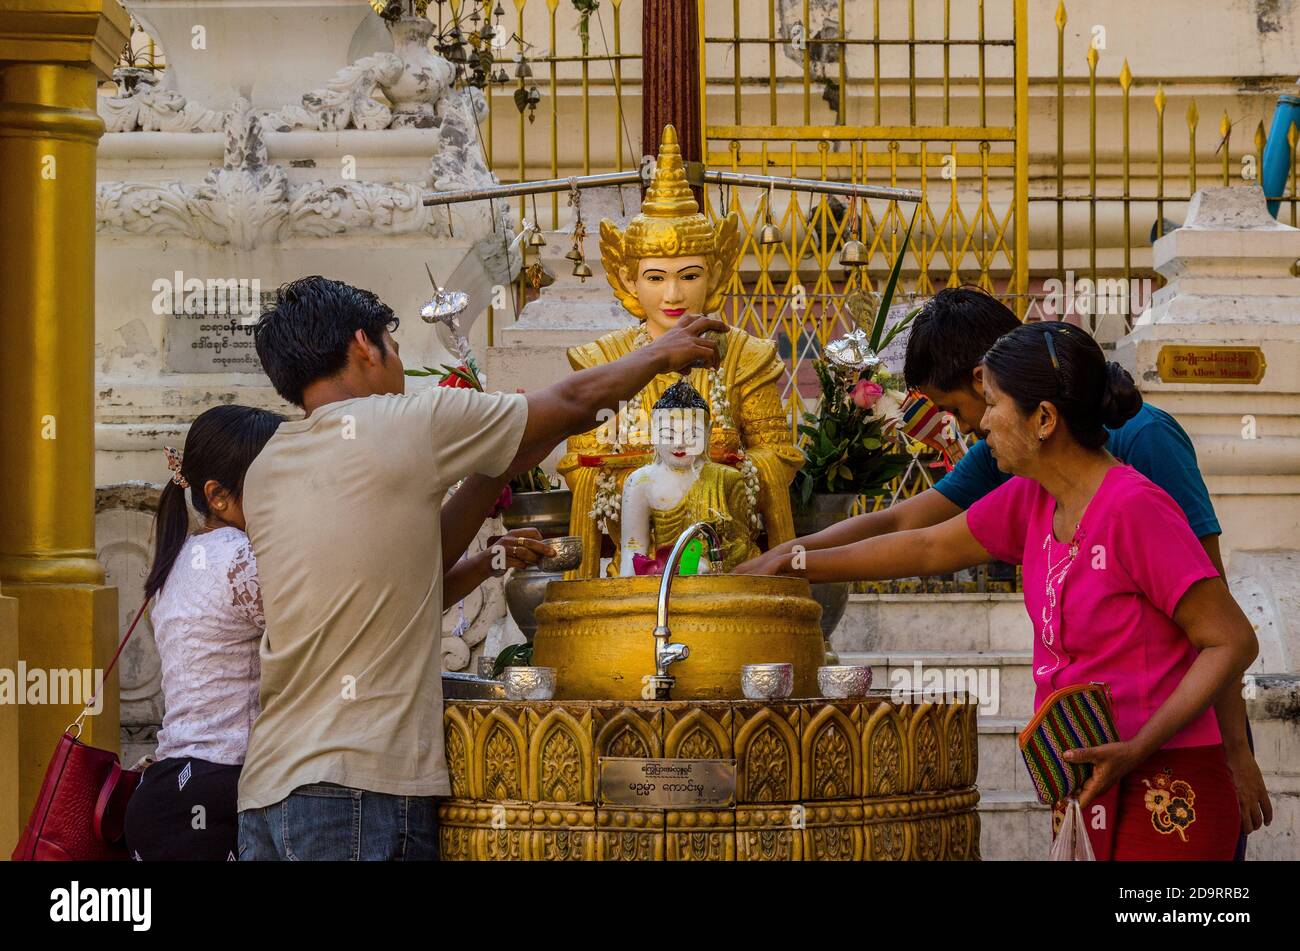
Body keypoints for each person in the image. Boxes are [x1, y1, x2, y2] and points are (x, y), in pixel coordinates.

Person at [736, 287, 1271, 850]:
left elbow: (1225, 631)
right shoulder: (1030, 495)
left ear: (1043, 418)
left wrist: (1218, 748)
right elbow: (921, 545)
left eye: (987, 404)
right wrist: (791, 560)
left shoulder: (1136, 489)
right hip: (1089, 772)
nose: (978, 424)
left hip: (1166, 772)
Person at [236, 275, 726, 861]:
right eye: (394, 346)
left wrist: (491, 526)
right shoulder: (400, 422)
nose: (396, 362)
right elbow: (569, 405)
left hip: (268, 787)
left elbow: (397, 577)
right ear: (365, 346)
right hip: (360, 791)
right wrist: (654, 355)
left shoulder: (269, 466)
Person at [124, 405, 284, 861]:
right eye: (274, 485)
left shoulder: (178, 558)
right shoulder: (243, 561)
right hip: (215, 794)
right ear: (218, 495)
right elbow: (329, 628)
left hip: (166, 788)